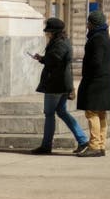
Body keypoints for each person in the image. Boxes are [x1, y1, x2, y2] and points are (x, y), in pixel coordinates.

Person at [29, 17, 89, 155]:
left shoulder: (59, 44)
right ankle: (82, 140)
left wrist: (43, 59)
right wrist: (43, 58)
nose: (46, 33)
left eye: (48, 31)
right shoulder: (62, 42)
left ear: (54, 32)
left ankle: (46, 145)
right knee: (62, 112)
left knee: (49, 114)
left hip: (55, 84)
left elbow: (55, 60)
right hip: (60, 84)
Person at [76, 10, 110, 157]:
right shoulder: (107, 38)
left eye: (89, 22)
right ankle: (101, 144)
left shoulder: (96, 39)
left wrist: (88, 75)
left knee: (91, 111)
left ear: (93, 24)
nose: (87, 25)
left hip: (96, 80)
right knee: (101, 113)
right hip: (105, 79)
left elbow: (96, 61)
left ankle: (94, 145)